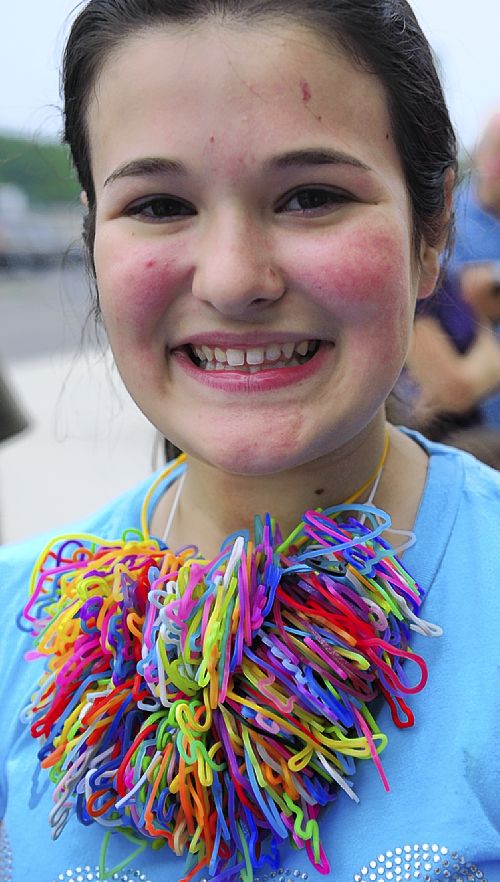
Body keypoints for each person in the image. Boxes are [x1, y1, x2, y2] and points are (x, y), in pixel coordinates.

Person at [1, 2, 499, 881]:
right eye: (158, 204)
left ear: (433, 232)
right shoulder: (12, 624)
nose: (234, 279)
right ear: (92, 235)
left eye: (312, 196)